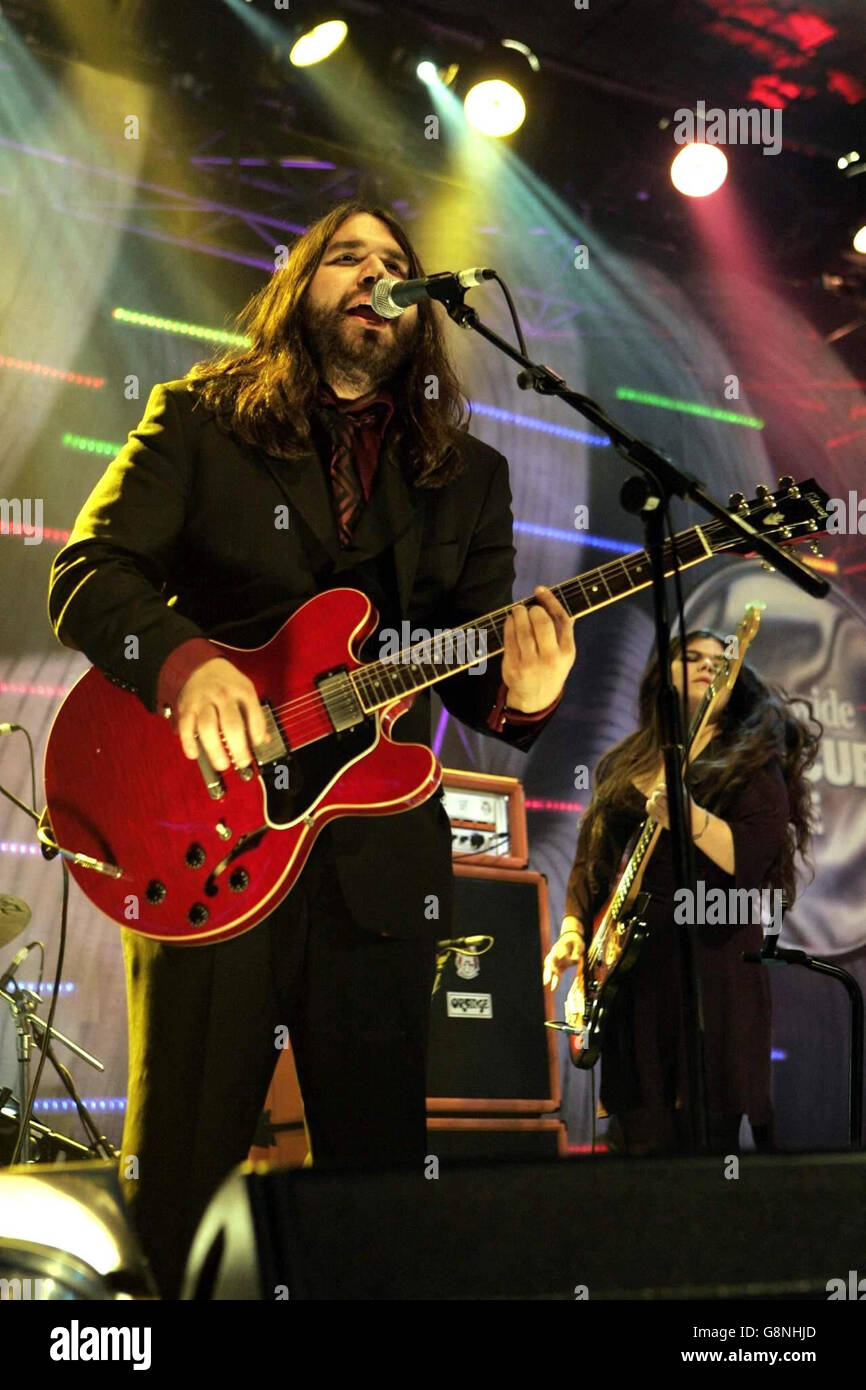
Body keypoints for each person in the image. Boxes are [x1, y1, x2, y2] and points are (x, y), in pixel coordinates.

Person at [47, 200, 576, 1296]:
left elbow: (476, 676)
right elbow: (89, 569)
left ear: (421, 312)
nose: (374, 276)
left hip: (374, 862)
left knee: (372, 1185)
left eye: (395, 264)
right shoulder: (200, 418)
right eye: (348, 256)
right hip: (204, 829)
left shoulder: (462, 477)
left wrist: (525, 697)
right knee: (184, 1157)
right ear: (302, 287)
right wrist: (186, 661)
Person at [543, 630, 820, 1156]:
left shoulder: (751, 759)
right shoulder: (625, 761)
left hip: (711, 966)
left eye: (719, 659)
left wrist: (689, 820)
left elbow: (751, 854)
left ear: (736, 677)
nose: (704, 665)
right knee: (638, 1138)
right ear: (661, 675)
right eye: (689, 656)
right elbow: (591, 858)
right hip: (632, 970)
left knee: (704, 1141)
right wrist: (573, 929)